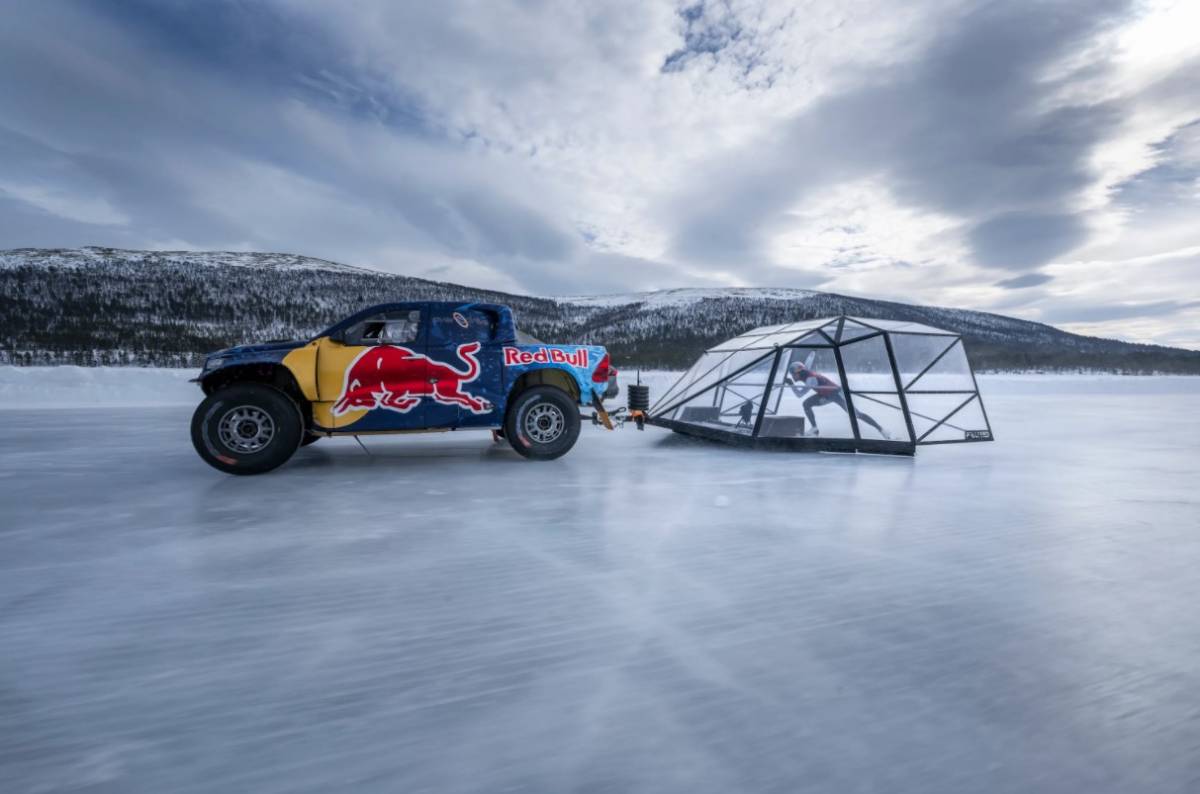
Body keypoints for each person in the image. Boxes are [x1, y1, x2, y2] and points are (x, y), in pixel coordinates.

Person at [785, 355, 890, 439]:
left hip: (836, 394)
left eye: (792, 374)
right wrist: (813, 352)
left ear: (798, 372)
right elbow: (807, 363)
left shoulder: (810, 379)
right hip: (825, 395)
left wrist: (791, 384)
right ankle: (814, 429)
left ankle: (881, 429)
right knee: (806, 404)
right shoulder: (805, 373)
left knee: (856, 414)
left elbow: (799, 395)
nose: (792, 377)